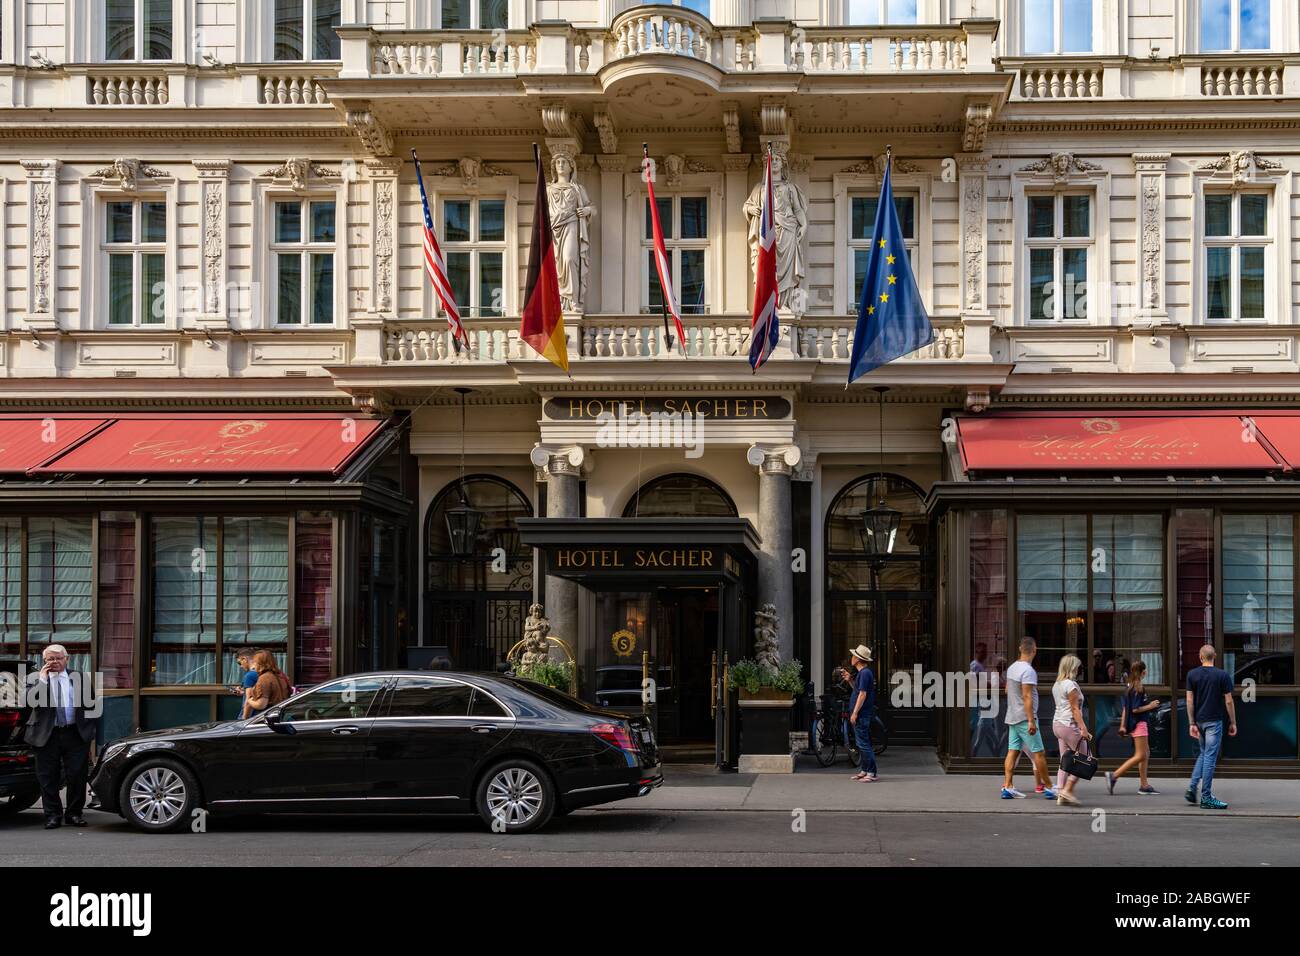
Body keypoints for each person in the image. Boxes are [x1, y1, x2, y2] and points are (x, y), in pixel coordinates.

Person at [24, 645, 99, 829]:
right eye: (50, 659)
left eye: (58, 658)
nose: (54, 662)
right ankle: (53, 815)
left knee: (77, 775)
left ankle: (74, 814)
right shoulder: (34, 678)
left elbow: (91, 705)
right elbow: (29, 701)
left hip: (75, 733)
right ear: (44, 661)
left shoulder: (79, 677)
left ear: (67, 659)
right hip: (46, 734)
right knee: (48, 776)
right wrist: (42, 680)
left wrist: (89, 730)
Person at [1000, 637, 1055, 800]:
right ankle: (1050, 787)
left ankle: (1008, 786)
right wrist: (1031, 720)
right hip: (1025, 718)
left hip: (1012, 717)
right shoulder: (1028, 671)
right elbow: (1027, 696)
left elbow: (1007, 691)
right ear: (1034, 650)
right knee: (1039, 753)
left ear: (1020, 648)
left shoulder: (1011, 668)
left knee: (1012, 751)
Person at [1185, 644, 1236, 810]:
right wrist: (1233, 722)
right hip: (1214, 721)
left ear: (1200, 657)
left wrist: (1192, 723)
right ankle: (1206, 797)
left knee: (1204, 753)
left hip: (1199, 721)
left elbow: (1189, 701)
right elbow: (1228, 701)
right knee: (1210, 758)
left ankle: (1192, 788)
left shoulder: (1192, 675)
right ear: (1214, 657)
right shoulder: (1222, 675)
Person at [1107, 660, 1161, 795]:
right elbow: (1135, 709)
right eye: (1145, 670)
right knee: (1140, 755)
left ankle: (1144, 785)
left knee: (1145, 754)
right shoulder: (1139, 687)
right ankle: (1114, 776)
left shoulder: (1129, 686)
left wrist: (1123, 726)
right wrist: (1151, 706)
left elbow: (1126, 708)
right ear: (1143, 672)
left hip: (1133, 724)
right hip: (1139, 723)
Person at [1051, 655, 1092, 807]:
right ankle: (1067, 790)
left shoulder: (1057, 684)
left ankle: (1061, 794)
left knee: (1065, 761)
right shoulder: (1071, 685)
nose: (1080, 670)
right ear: (1073, 668)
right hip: (1070, 725)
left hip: (1058, 725)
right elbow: (1075, 709)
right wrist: (1083, 728)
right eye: (1078, 667)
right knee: (1084, 759)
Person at [847, 645, 878, 782]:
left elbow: (863, 695)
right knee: (861, 743)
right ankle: (865, 770)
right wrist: (850, 680)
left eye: (853, 656)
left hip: (862, 714)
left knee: (864, 743)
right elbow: (858, 690)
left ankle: (871, 772)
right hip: (861, 713)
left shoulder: (865, 673)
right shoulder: (862, 673)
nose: (851, 658)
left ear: (858, 659)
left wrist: (855, 713)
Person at [245, 650, 292, 716]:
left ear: (260, 664)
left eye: (255, 662)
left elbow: (261, 705)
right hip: (281, 715)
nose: (253, 665)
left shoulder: (264, 678)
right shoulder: (281, 675)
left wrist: (249, 701)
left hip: (268, 718)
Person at [231, 648, 259, 719]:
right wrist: (243, 692)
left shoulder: (250, 675)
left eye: (239, 663)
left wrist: (243, 720)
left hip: (250, 717)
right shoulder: (263, 673)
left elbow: (248, 701)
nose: (240, 666)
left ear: (244, 659)